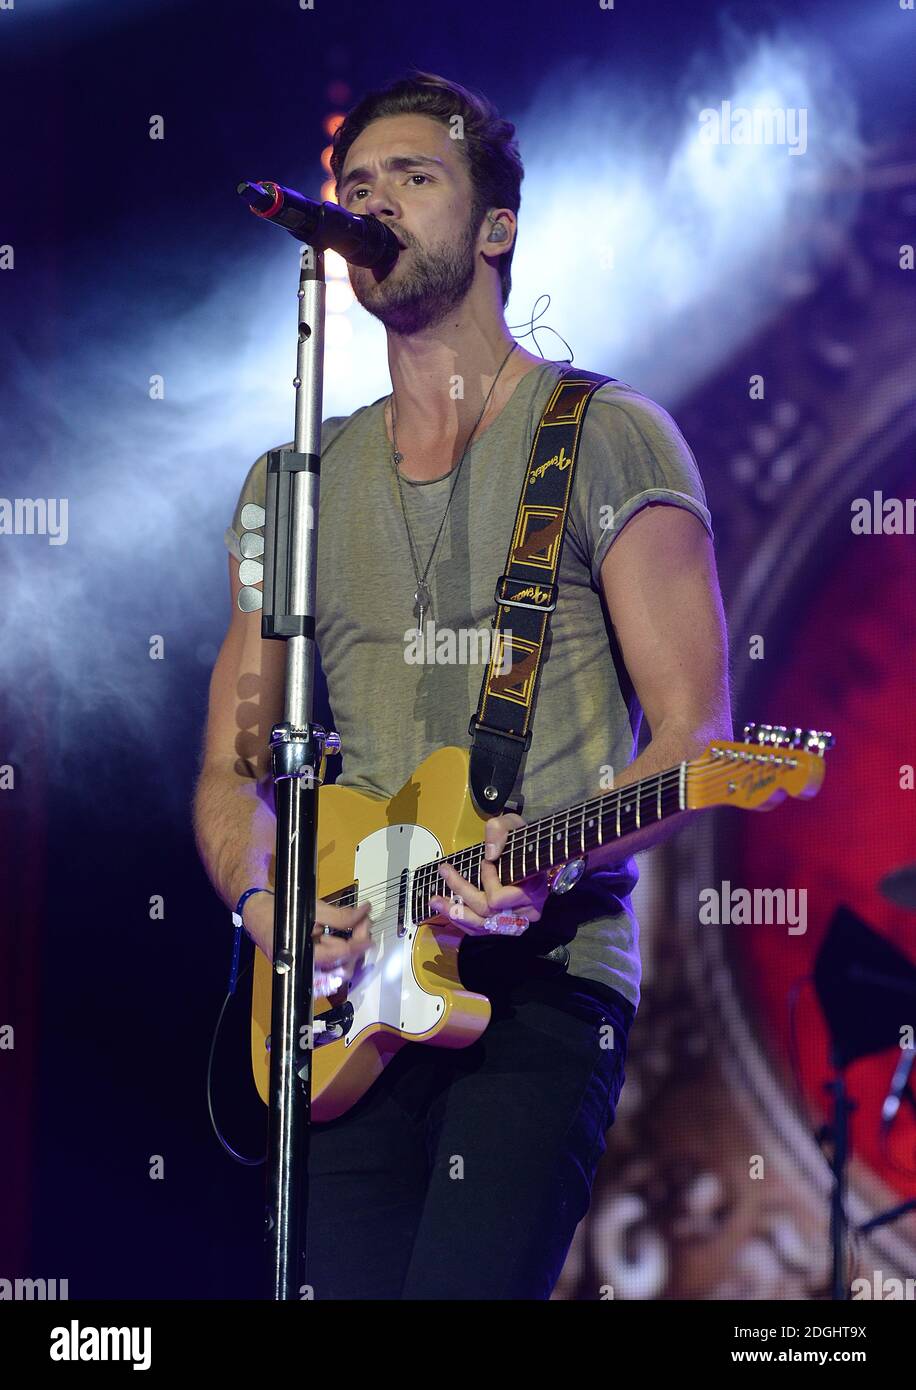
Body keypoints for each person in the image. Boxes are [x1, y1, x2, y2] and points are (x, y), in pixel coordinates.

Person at [193, 69, 732, 1300]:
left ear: (496, 228)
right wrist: (265, 905)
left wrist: (543, 849)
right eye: (357, 186)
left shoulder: (603, 435)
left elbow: (697, 735)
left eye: (415, 178)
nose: (376, 201)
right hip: (341, 1001)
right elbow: (233, 767)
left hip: (540, 976)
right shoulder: (293, 487)